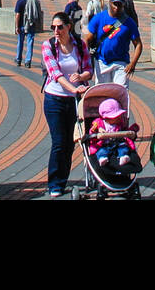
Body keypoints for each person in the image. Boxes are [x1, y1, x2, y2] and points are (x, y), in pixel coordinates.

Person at [41, 11, 92, 197]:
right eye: (53, 27)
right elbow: (55, 73)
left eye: (59, 27)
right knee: (59, 142)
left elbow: (88, 70)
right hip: (54, 98)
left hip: (75, 100)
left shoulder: (80, 44)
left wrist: (81, 77)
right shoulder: (48, 46)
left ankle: (63, 178)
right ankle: (55, 183)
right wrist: (73, 88)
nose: (56, 30)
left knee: (70, 143)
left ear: (68, 27)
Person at [87, 0, 143, 86]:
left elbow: (138, 44)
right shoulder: (99, 18)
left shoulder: (129, 22)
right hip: (102, 61)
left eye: (120, 5)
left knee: (121, 92)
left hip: (120, 61)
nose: (117, 7)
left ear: (123, 5)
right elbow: (88, 39)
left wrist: (133, 63)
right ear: (110, 3)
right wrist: (86, 58)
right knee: (103, 93)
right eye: (115, 4)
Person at [88, 97, 141, 172]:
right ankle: (102, 158)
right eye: (116, 116)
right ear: (107, 117)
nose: (119, 118)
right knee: (101, 151)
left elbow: (124, 130)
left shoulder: (119, 124)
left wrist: (131, 130)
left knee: (123, 147)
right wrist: (97, 130)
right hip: (103, 144)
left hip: (117, 143)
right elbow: (92, 132)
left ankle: (123, 157)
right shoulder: (99, 123)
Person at [14, 0, 44, 67]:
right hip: (31, 24)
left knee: (20, 42)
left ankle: (18, 59)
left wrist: (17, 26)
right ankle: (28, 61)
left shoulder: (19, 1)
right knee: (30, 42)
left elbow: (17, 15)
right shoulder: (34, 0)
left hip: (21, 25)